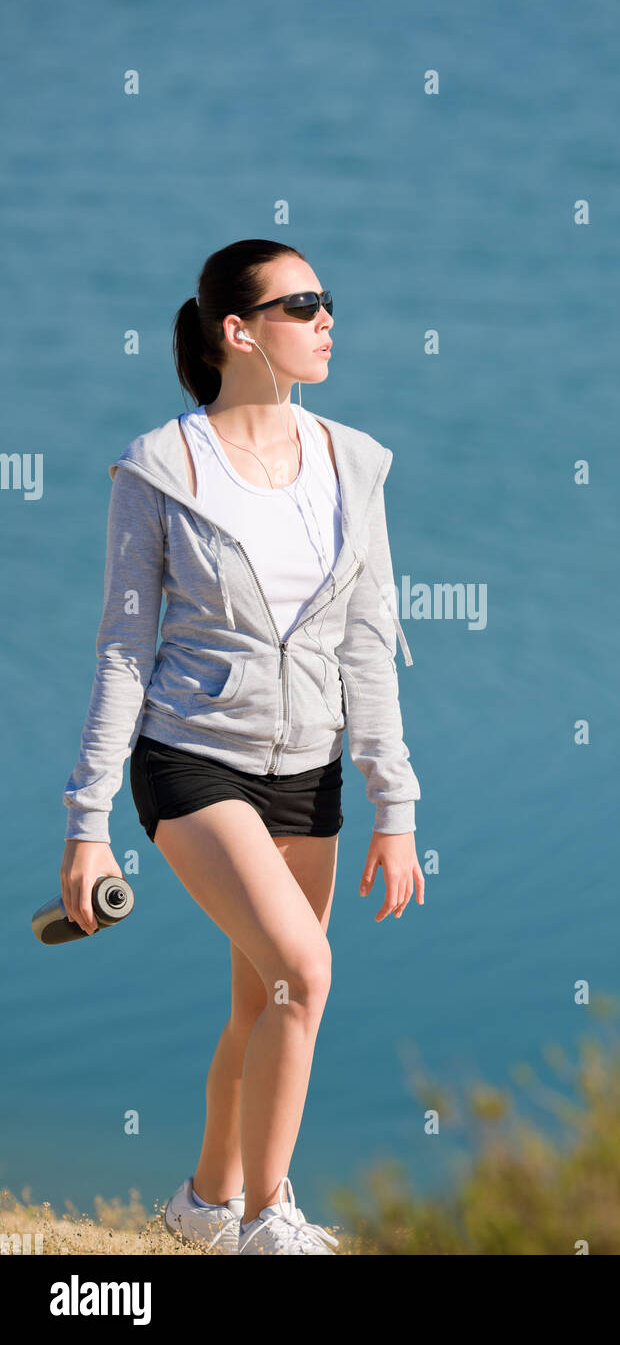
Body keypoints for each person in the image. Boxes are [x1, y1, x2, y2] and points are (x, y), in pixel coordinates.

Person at [59, 238, 423, 1255]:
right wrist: (89, 826)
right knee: (305, 973)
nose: (325, 319)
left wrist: (393, 804)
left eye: (326, 302)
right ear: (237, 330)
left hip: (307, 767)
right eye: (301, 305)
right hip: (191, 757)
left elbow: (368, 640)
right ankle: (271, 1219)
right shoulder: (159, 468)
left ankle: (199, 1207)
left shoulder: (355, 461)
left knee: (264, 996)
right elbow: (123, 650)